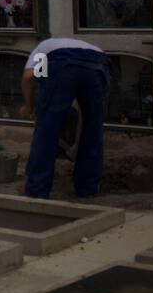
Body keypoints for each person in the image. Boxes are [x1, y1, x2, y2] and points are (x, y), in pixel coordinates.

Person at [21, 38, 112, 198]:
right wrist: (77, 143)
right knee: (93, 128)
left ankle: (37, 190)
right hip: (99, 65)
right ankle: (88, 189)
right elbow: (85, 115)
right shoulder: (88, 47)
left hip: (62, 64)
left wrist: (28, 107)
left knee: (46, 131)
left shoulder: (42, 49)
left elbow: (29, 77)